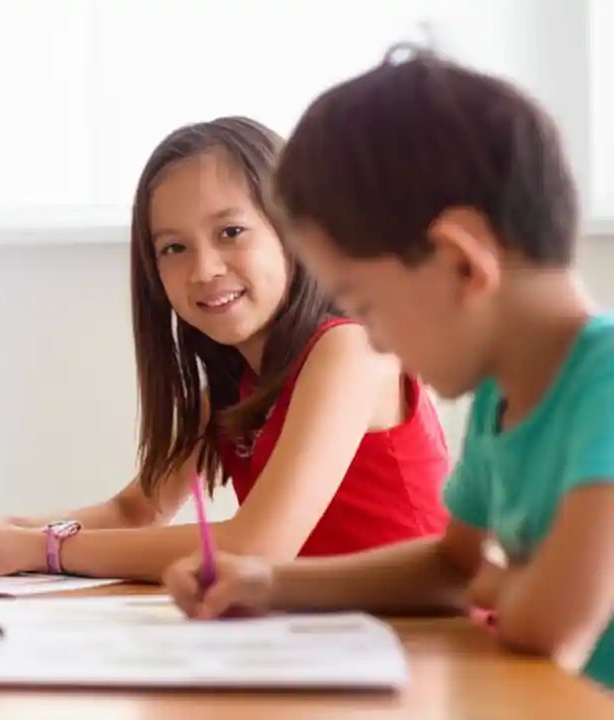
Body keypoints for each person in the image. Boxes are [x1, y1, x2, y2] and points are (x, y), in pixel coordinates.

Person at [165, 49, 614, 689]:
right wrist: (268, 581)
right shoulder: (501, 396)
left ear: (462, 264)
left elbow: (550, 623)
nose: (371, 335)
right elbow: (450, 568)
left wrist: (493, 581)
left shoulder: (605, 385)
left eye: (366, 304)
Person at [0, 117, 449, 581]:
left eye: (231, 232)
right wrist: (7, 529)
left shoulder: (349, 349)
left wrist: (47, 550)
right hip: (330, 641)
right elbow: (134, 511)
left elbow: (257, 547)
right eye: (174, 248)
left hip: (426, 649)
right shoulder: (233, 391)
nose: (204, 269)